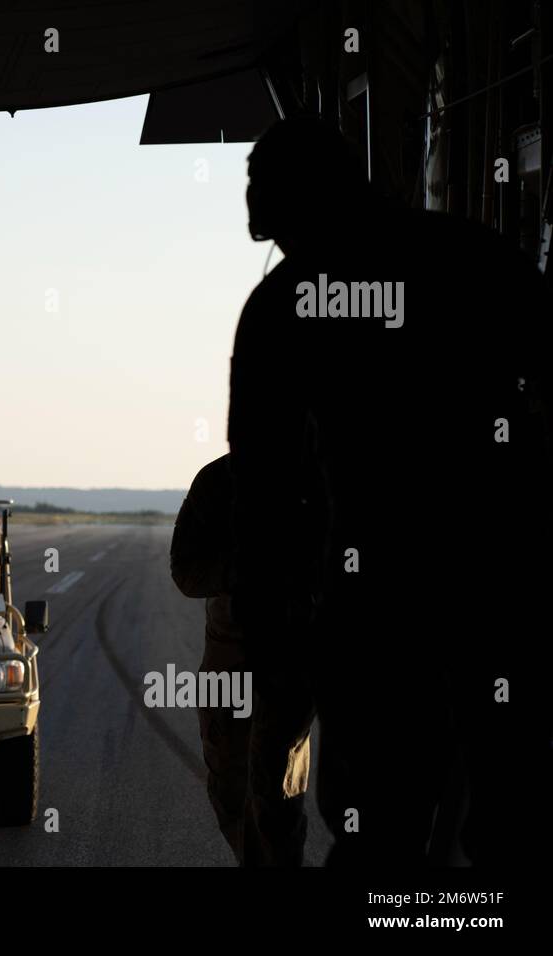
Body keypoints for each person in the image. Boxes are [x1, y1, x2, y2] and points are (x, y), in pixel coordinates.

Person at [233, 116, 553, 865]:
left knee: (382, 824)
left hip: (380, 606)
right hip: (500, 590)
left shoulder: (286, 306)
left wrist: (270, 637)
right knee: (510, 814)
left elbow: (263, 490)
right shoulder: (478, 258)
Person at [171, 453, 314, 866]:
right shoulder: (219, 480)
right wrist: (249, 569)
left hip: (297, 657)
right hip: (230, 657)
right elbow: (185, 571)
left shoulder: (320, 471)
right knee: (231, 787)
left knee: (275, 786)